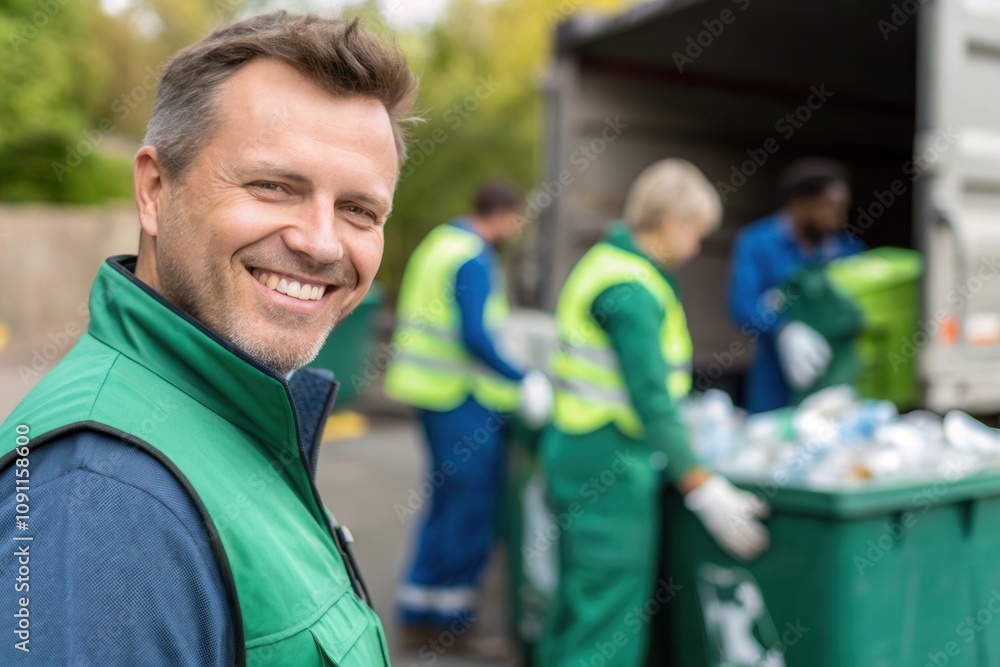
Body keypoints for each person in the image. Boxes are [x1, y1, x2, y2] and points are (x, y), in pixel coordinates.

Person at [0, 12, 417, 665]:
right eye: (274, 186)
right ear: (154, 189)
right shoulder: (101, 501)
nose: (322, 241)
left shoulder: (228, 413)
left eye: (359, 209)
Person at [537, 159, 770, 667]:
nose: (696, 248)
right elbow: (651, 398)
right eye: (697, 234)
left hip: (578, 450)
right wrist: (701, 484)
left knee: (580, 604)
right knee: (607, 618)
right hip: (608, 461)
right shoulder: (632, 290)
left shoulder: (607, 263)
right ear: (672, 224)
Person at [384, 180, 552, 652]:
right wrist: (523, 379)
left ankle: (419, 613)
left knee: (445, 502)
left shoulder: (442, 241)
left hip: (432, 394)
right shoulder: (473, 256)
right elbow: (476, 336)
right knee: (469, 506)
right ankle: (453, 623)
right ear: (503, 215)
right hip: (459, 397)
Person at [728, 158, 863, 413]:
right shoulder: (758, 244)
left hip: (835, 380)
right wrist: (783, 330)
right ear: (801, 203)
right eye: (830, 207)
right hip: (773, 381)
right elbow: (742, 305)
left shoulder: (847, 251)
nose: (839, 218)